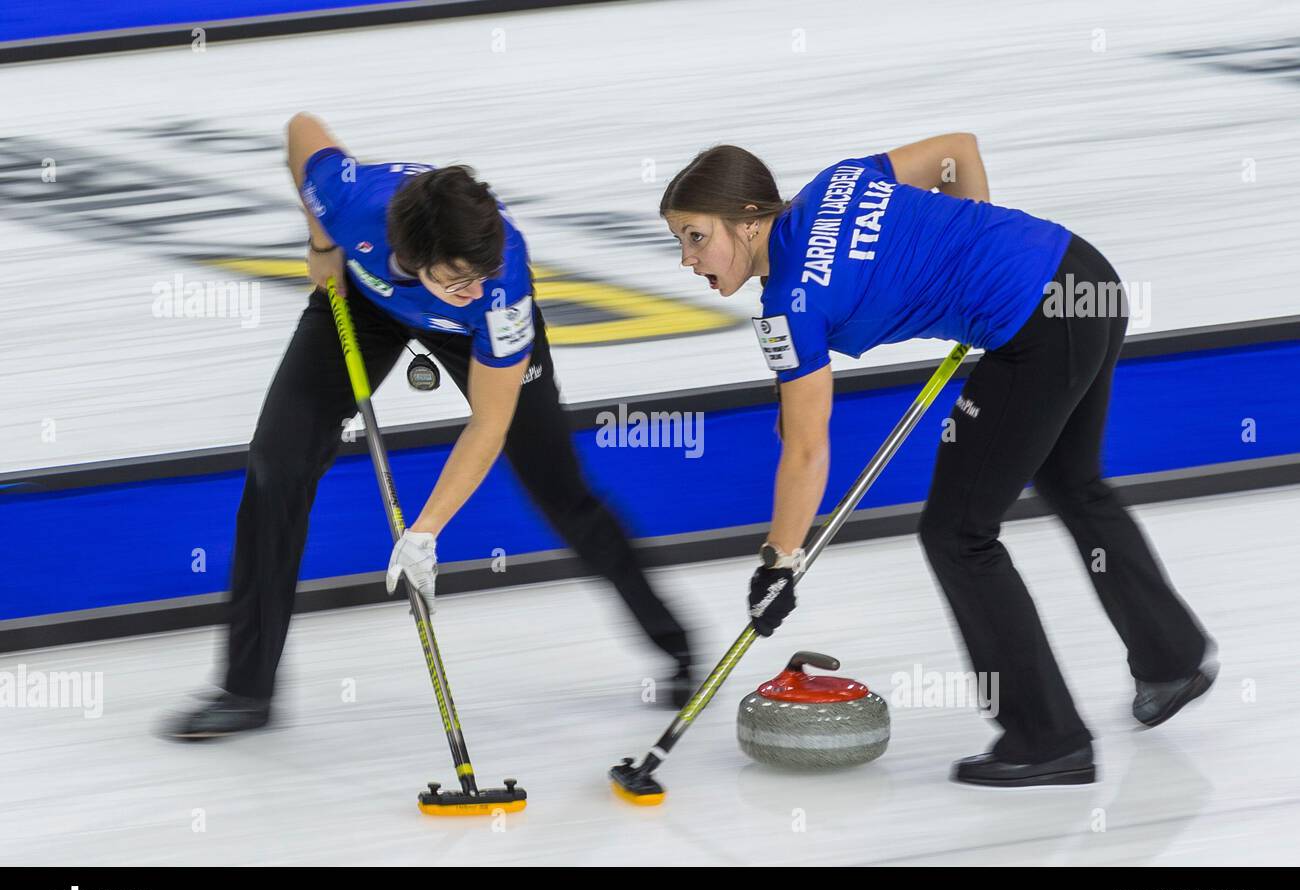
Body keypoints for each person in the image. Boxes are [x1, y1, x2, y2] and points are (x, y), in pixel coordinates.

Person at [658, 134, 1217, 787]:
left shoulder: (790, 306)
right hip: (1083, 276)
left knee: (958, 535)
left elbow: (809, 449)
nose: (687, 259)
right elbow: (956, 152)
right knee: (1073, 479)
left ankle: (1047, 739)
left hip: (1035, 325)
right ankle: (1171, 658)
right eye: (680, 241)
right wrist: (973, 248)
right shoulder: (834, 183)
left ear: (750, 220)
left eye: (696, 237)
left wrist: (779, 563)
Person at [164, 113, 694, 738]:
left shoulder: (500, 288)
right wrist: (322, 244)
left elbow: (490, 424)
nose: (474, 287)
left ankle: (677, 647)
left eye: (480, 272)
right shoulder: (351, 199)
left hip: (477, 341)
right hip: (368, 304)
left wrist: (424, 532)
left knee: (556, 485)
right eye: (457, 277)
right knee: (276, 466)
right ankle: (246, 690)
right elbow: (301, 130)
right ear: (412, 257)